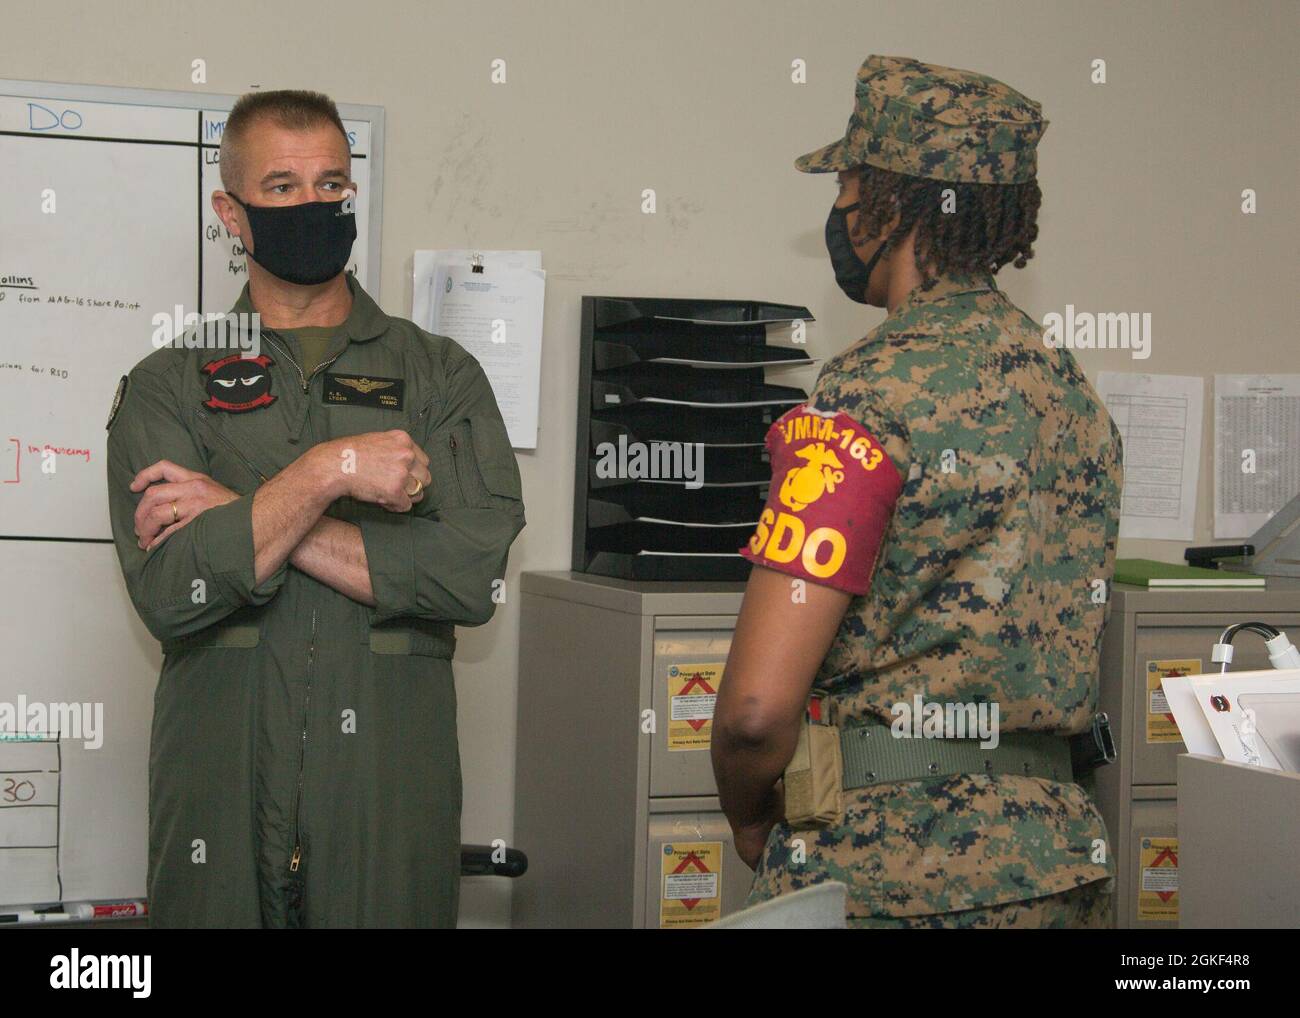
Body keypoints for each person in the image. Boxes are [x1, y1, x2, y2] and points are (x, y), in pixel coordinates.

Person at [711, 56, 1123, 928]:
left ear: (892, 201)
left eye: (849, 184)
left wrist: (751, 817)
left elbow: (754, 712)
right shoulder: (1071, 392)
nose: (840, 210)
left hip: (892, 875)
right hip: (1058, 867)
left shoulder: (866, 394)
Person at [106, 89, 525, 928]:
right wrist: (328, 471)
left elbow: (468, 581)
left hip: (385, 801)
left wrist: (241, 512)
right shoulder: (168, 386)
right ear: (232, 211)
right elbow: (171, 592)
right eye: (285, 186)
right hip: (217, 801)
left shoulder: (440, 379)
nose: (314, 205)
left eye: (331, 184)